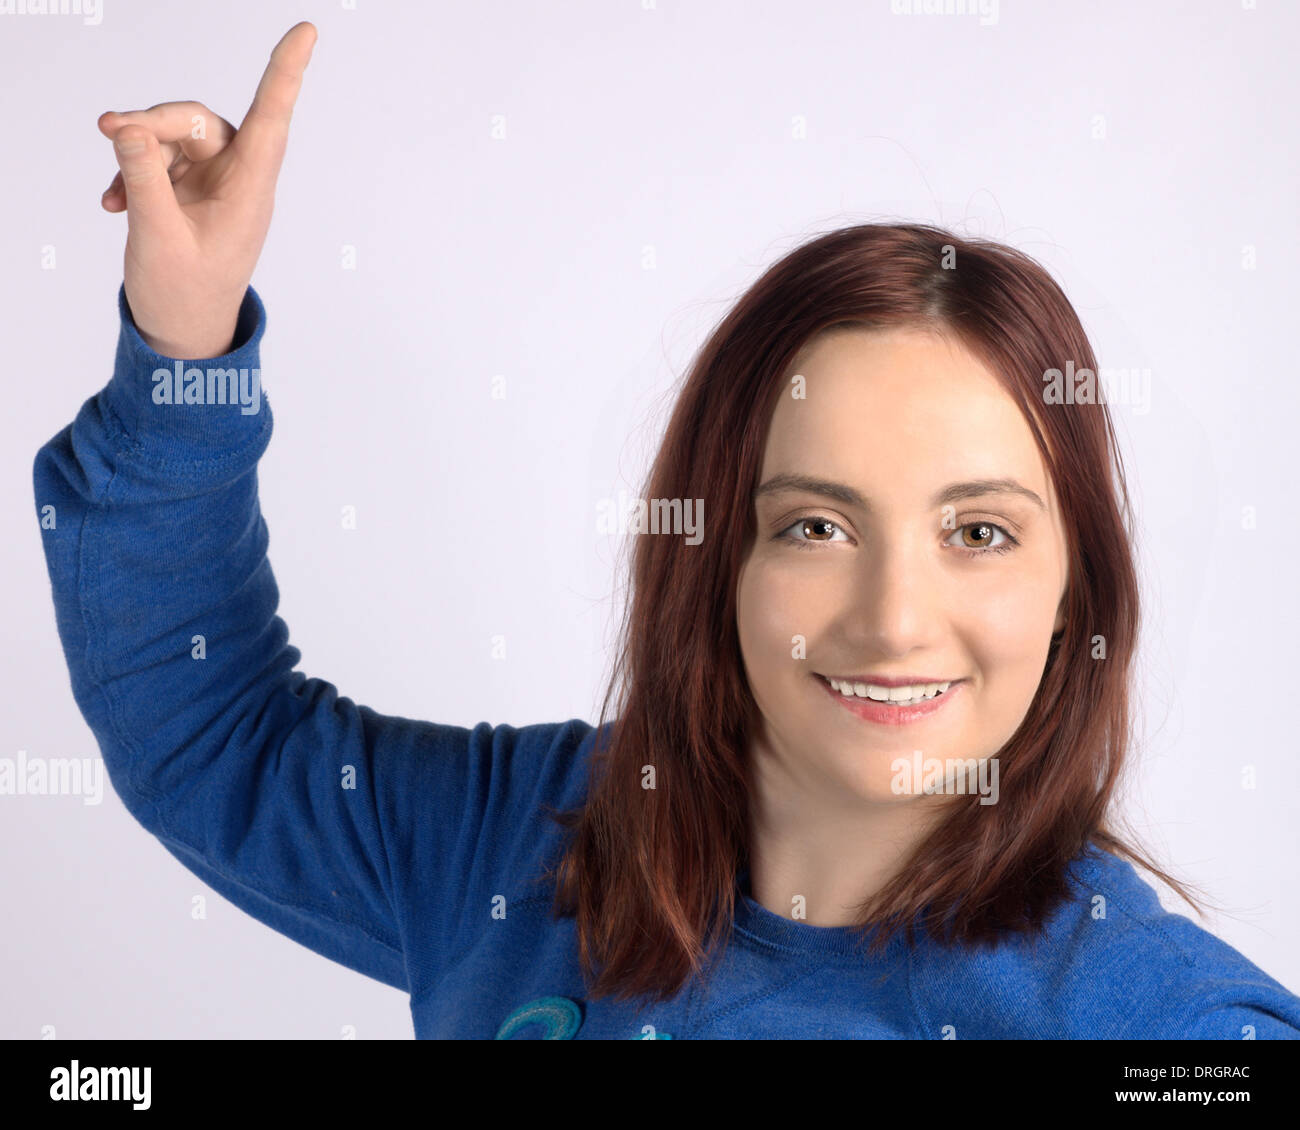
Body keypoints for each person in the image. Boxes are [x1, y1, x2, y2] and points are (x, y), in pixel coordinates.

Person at [34, 21, 1300, 1040]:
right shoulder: (518, 840)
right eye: (814, 523)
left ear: (1077, 590)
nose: (895, 618)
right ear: (717, 564)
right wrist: (185, 343)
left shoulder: (1158, 1020)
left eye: (978, 534)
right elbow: (204, 730)